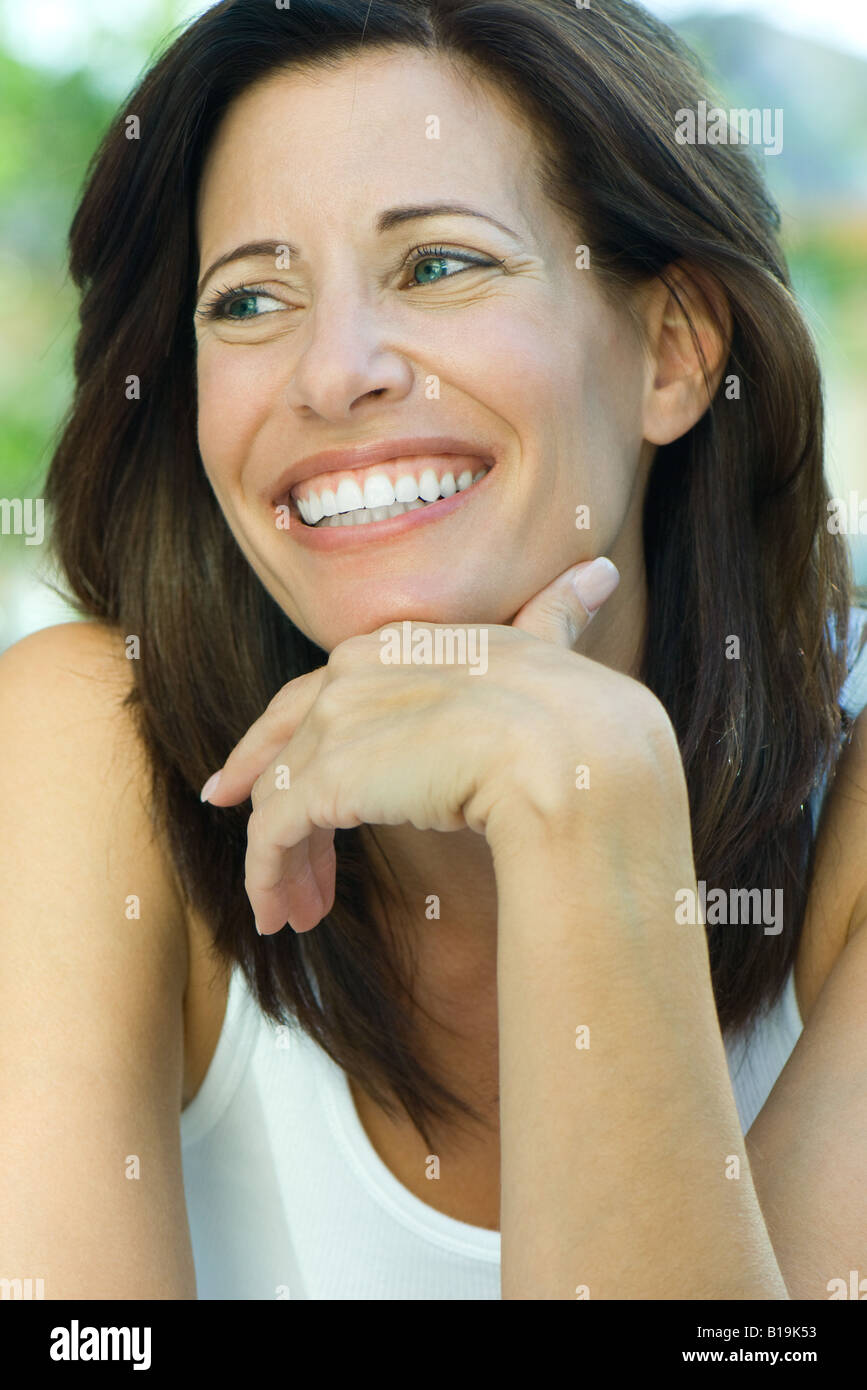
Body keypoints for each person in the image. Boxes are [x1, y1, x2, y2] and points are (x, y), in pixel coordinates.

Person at [1, 0, 866, 1301]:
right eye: (249, 297)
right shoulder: (84, 747)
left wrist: (589, 806)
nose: (333, 370)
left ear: (675, 349)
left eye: (442, 266)